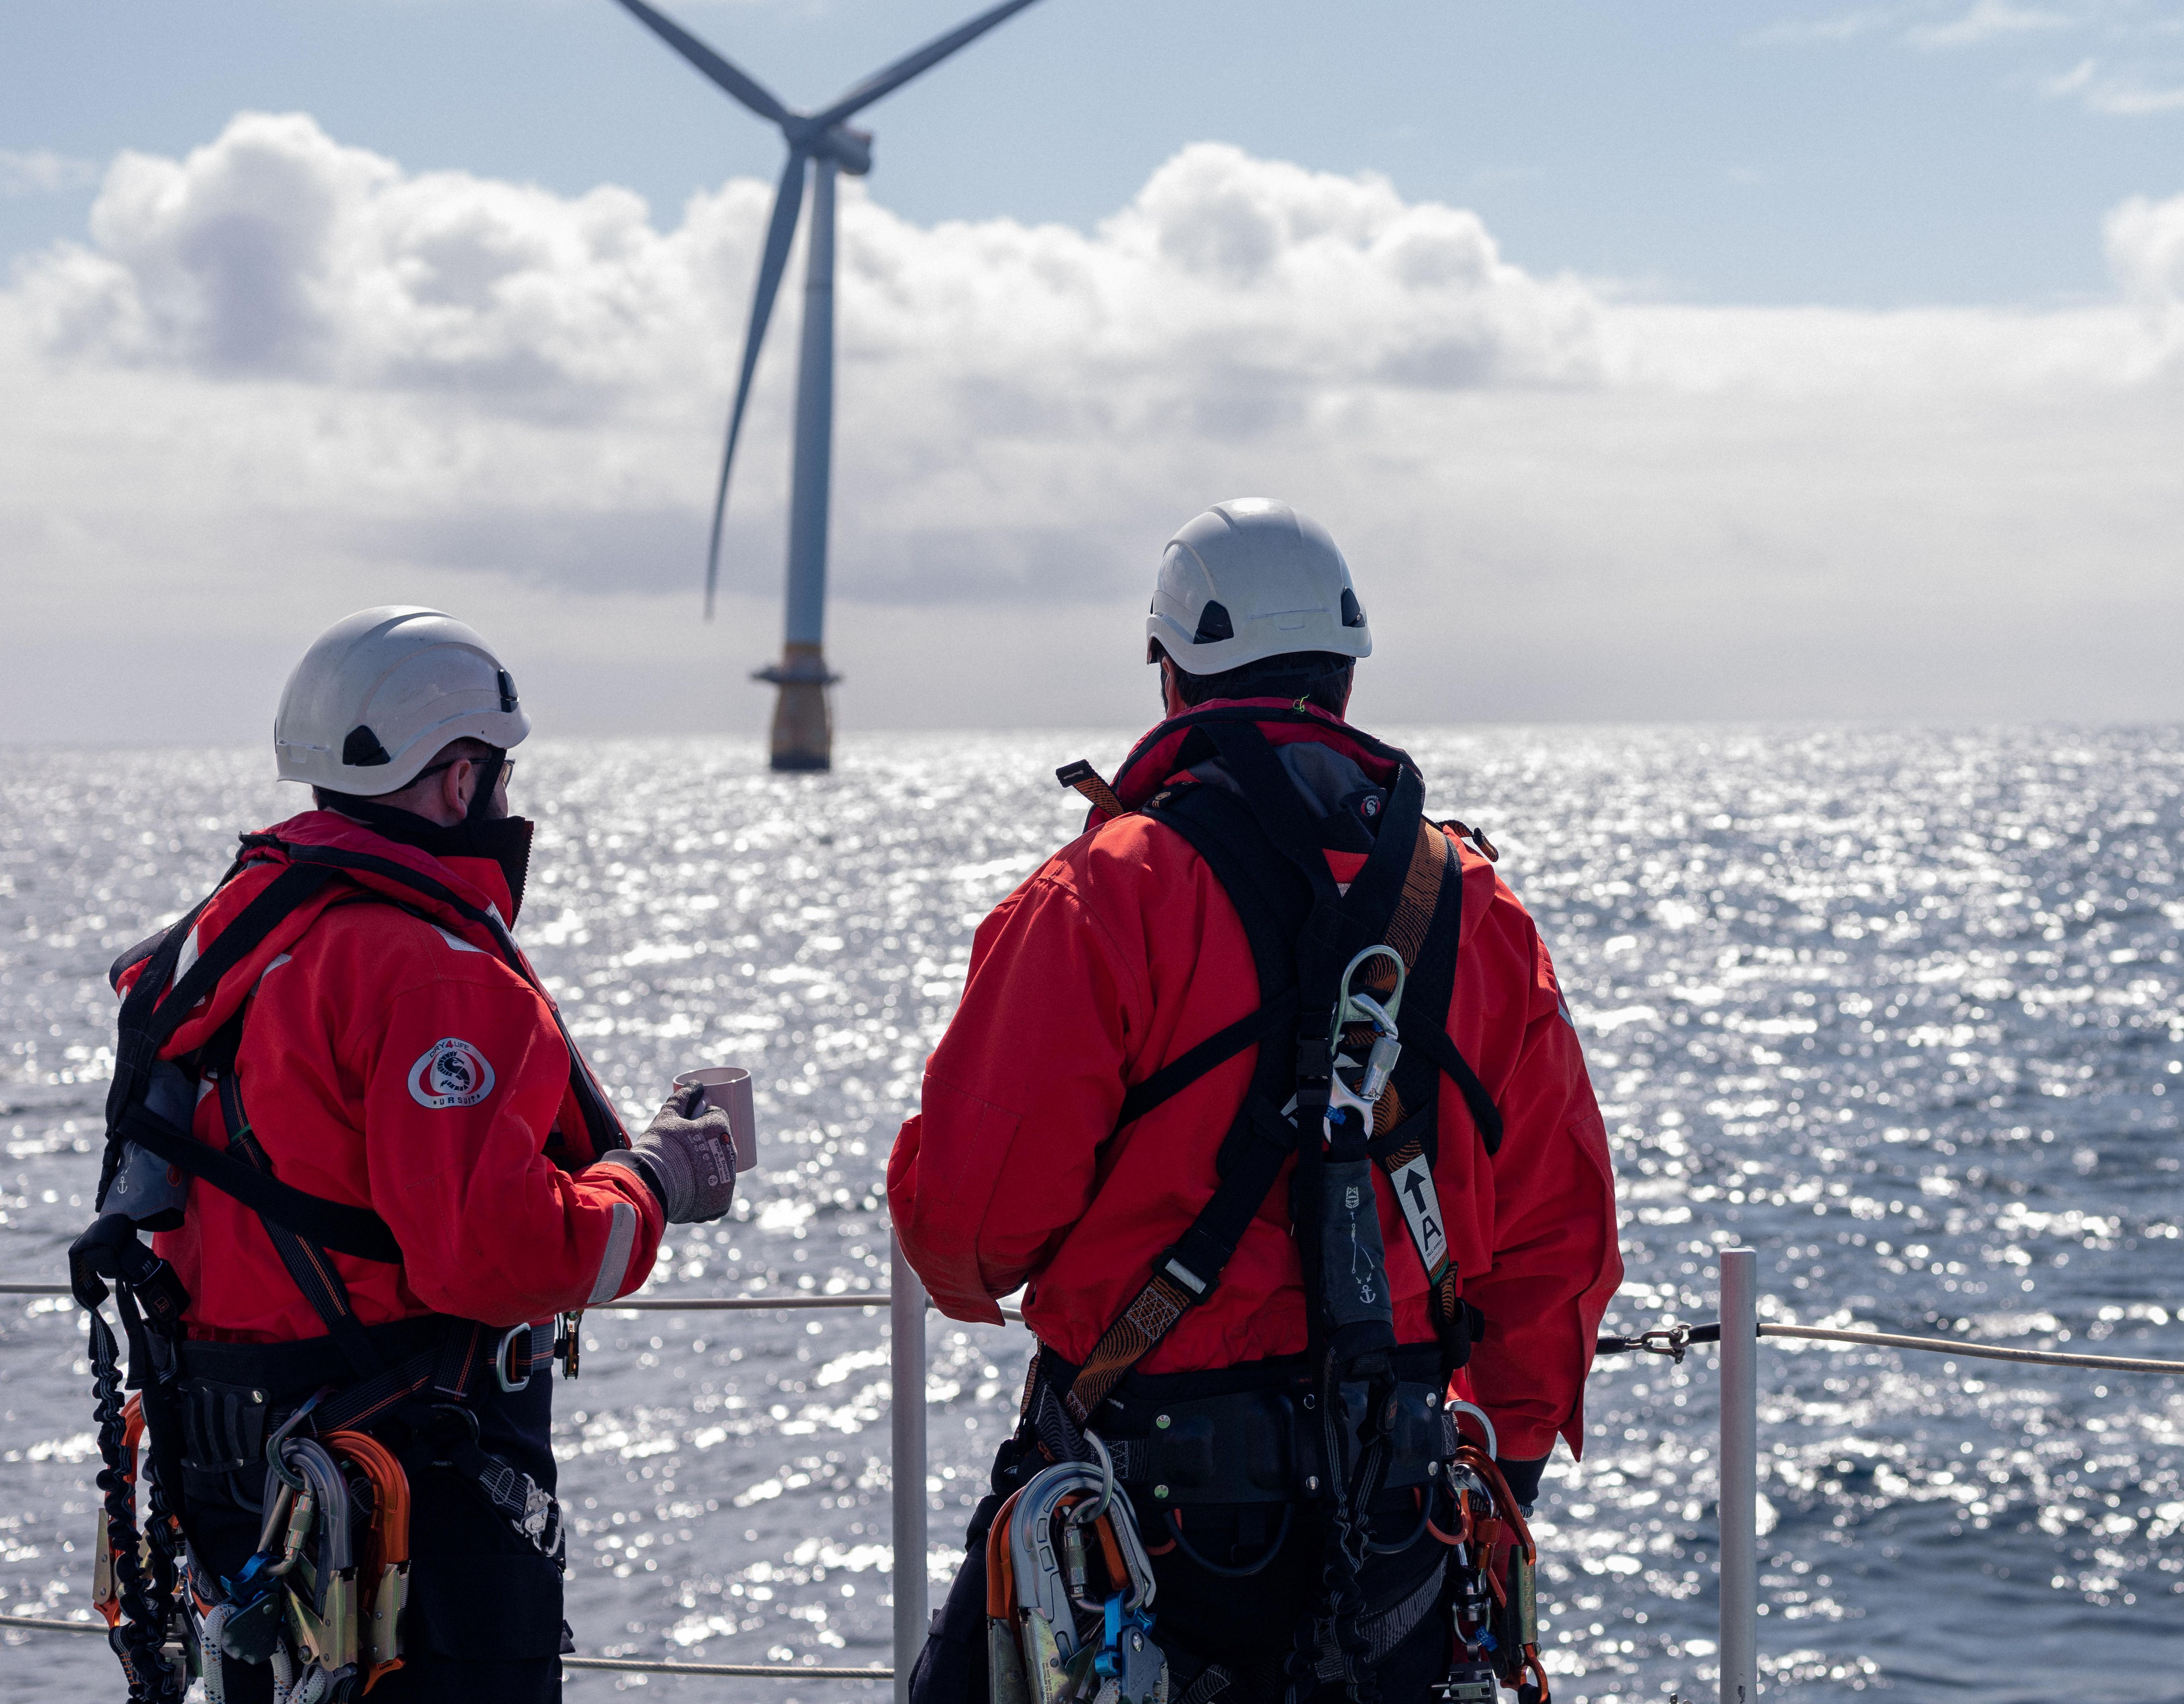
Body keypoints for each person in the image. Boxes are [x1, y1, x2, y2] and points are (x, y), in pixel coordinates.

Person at [891, 500, 1622, 1704]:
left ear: (1173, 677)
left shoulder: (1103, 899)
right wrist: (1515, 1458)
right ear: (1341, 680)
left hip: (1144, 1534)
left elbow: (968, 1233)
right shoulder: (1479, 913)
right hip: (1400, 1535)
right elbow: (1561, 1237)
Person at [69, 606, 741, 1704]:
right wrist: (658, 1179)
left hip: (239, 1484)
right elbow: (493, 1253)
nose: (508, 803)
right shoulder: (434, 975)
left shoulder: (239, 937)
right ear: (457, 777)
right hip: (398, 1508)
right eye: (500, 773)